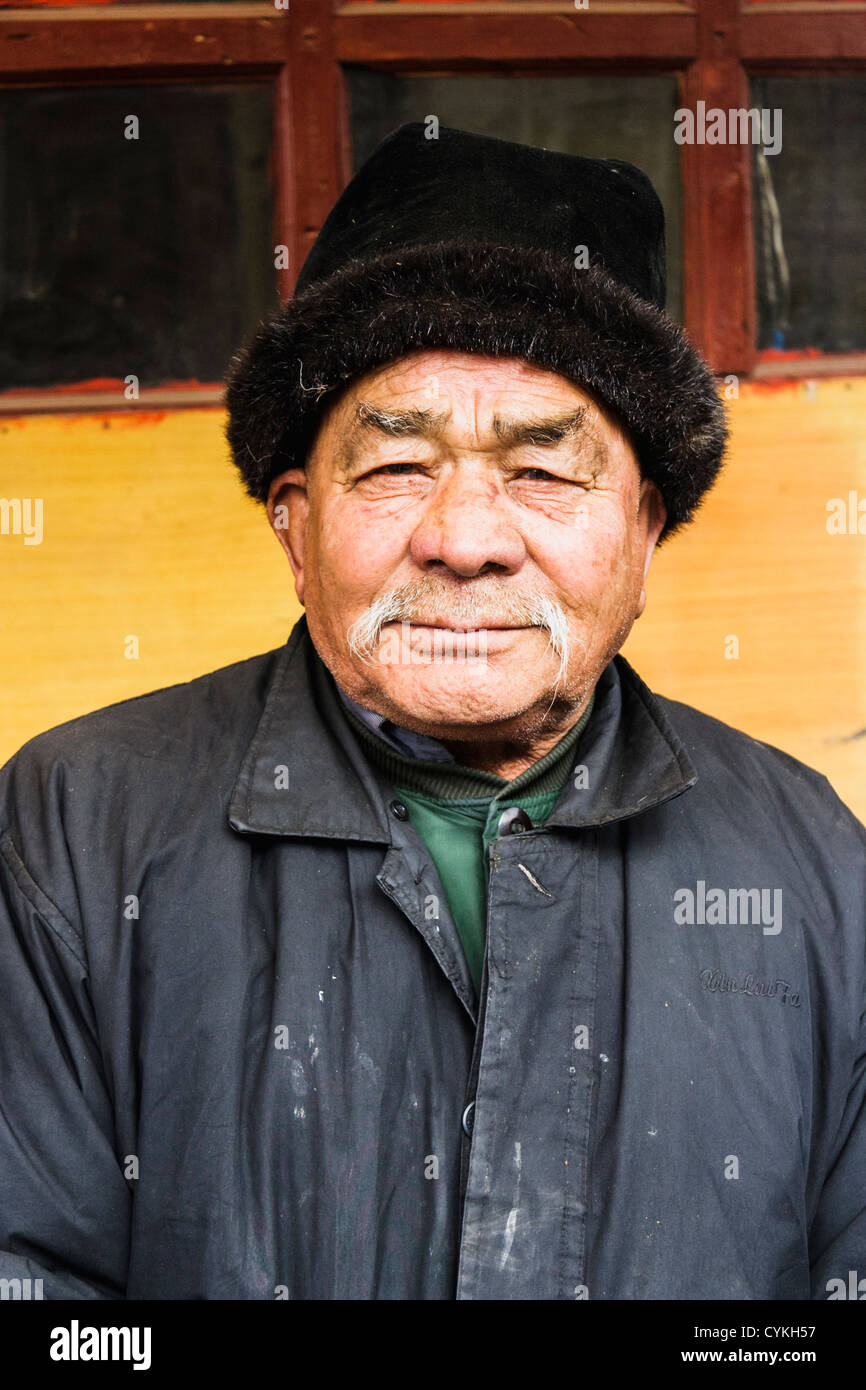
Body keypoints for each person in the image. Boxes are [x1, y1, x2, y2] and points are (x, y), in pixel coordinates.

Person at [0, 123, 863, 1300]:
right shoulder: (78, 824)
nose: (463, 541)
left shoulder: (808, 857)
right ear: (294, 525)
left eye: (543, 470)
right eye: (397, 466)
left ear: (644, 534)